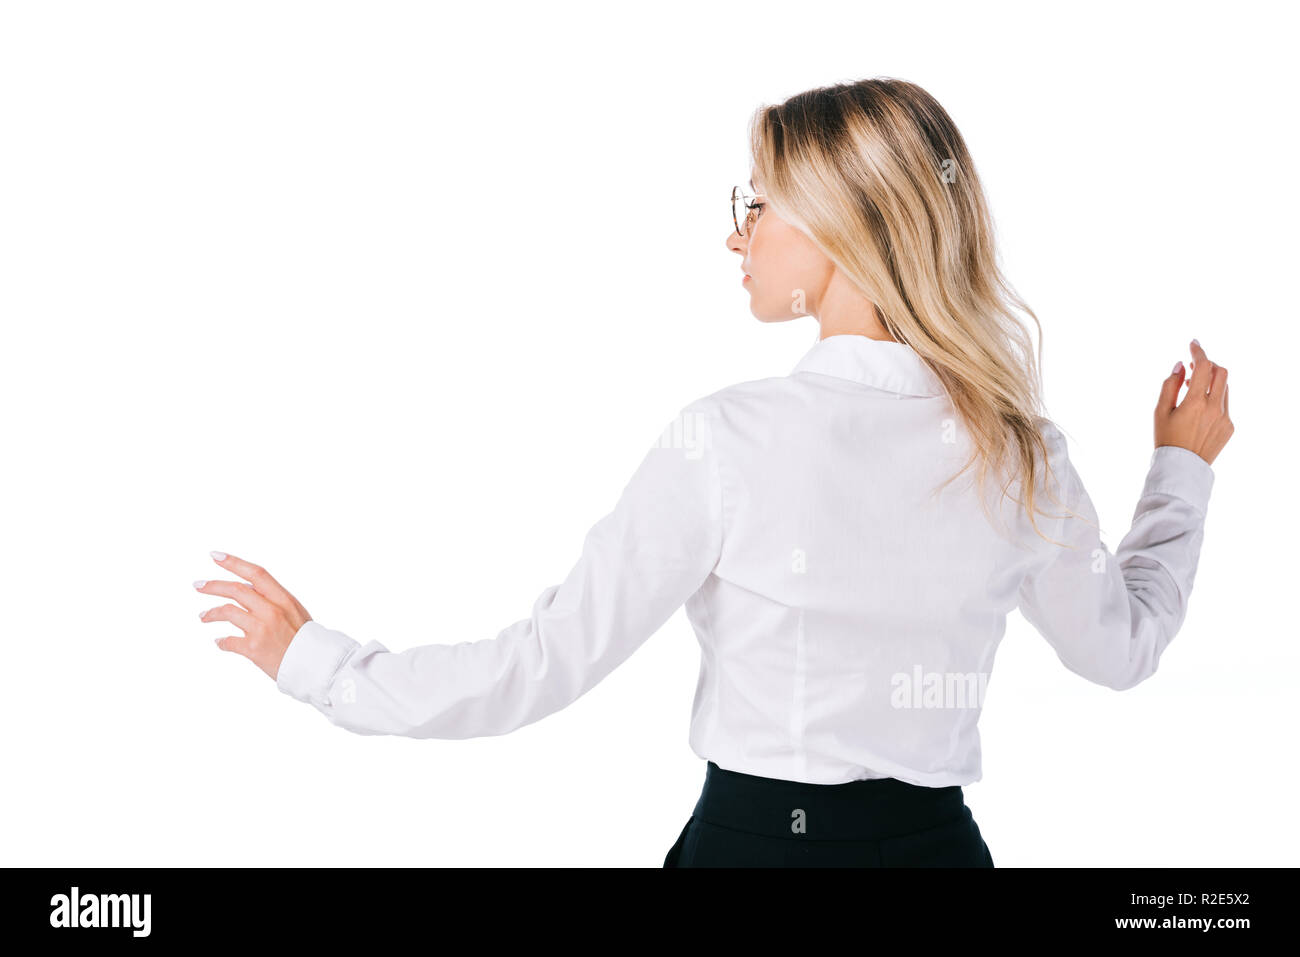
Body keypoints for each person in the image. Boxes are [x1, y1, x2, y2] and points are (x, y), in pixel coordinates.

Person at [195, 77, 1234, 867]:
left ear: (836, 228)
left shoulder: (730, 442)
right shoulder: (1018, 453)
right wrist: (1179, 471)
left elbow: (544, 662)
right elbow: (1121, 649)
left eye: (760, 205)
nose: (736, 235)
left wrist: (317, 664)